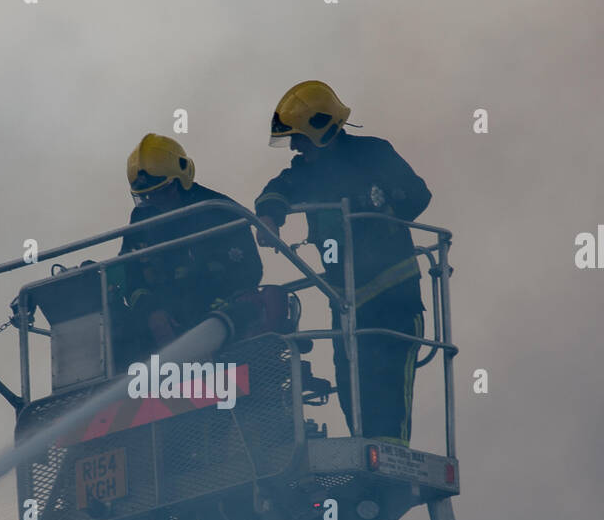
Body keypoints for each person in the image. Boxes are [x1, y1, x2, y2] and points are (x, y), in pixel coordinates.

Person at [255, 81, 431, 446]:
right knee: (351, 385)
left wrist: (380, 204)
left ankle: (389, 462)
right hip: (347, 303)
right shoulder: (306, 171)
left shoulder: (374, 154)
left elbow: (417, 194)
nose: (294, 145)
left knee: (388, 389)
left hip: (393, 299)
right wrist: (270, 216)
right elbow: (278, 189)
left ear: (320, 129)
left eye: (299, 137)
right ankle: (365, 454)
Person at [111, 134, 262, 352]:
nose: (154, 201)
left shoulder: (220, 211)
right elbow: (132, 276)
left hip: (222, 324)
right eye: (146, 196)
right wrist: (152, 313)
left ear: (180, 181)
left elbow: (250, 270)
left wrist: (218, 313)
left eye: (161, 192)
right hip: (166, 326)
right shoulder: (141, 220)